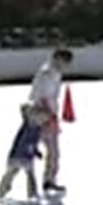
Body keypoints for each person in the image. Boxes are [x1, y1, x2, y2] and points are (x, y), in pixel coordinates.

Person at [28, 48, 74, 194]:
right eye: (65, 61)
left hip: (48, 113)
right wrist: (50, 115)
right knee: (34, 149)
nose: (66, 65)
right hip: (42, 113)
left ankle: (49, 180)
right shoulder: (47, 73)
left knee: (52, 151)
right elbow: (42, 96)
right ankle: (34, 180)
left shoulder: (55, 73)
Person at [0, 104, 48, 201]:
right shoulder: (28, 125)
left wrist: (36, 152)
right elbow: (24, 140)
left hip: (27, 155)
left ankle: (32, 193)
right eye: (42, 118)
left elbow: (34, 142)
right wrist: (30, 149)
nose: (43, 121)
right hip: (18, 154)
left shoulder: (38, 128)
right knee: (12, 172)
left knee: (29, 174)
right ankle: (2, 190)